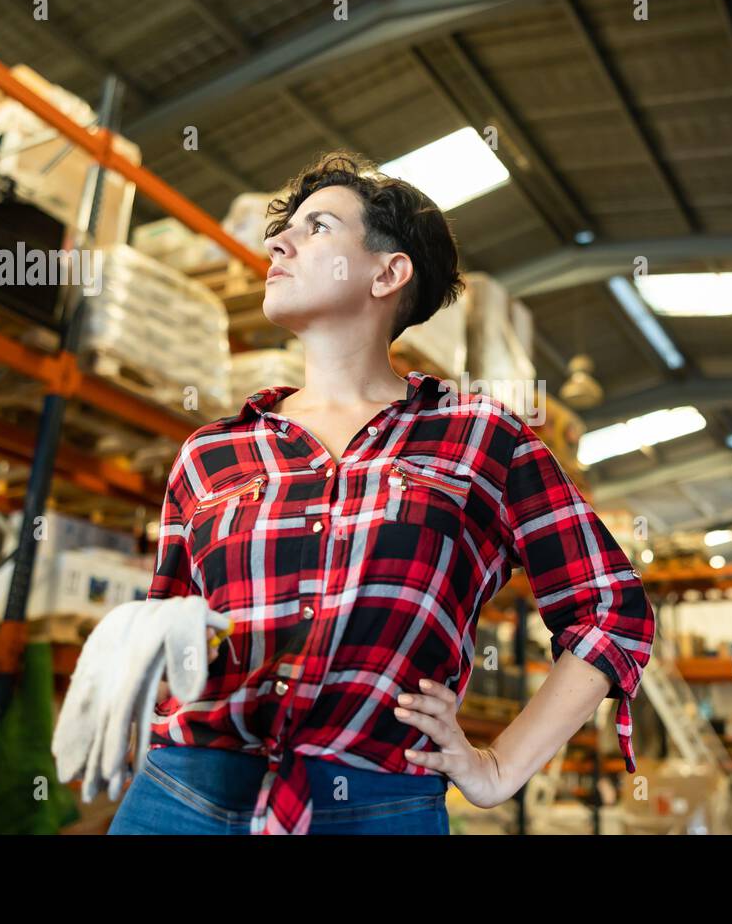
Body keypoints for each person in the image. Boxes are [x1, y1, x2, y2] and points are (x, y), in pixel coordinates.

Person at [106, 150, 655, 835]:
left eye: (318, 228)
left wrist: (499, 769)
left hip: (376, 804)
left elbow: (611, 611)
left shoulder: (481, 440)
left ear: (388, 273)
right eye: (285, 230)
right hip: (185, 795)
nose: (279, 243)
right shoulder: (210, 455)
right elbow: (172, 638)